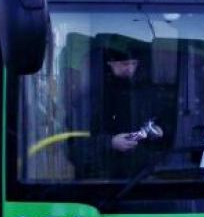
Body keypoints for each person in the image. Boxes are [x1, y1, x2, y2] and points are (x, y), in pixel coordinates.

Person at [66, 34, 172, 179]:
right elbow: (75, 146)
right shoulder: (90, 98)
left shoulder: (149, 93)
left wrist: (161, 130)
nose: (130, 69)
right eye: (124, 64)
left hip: (144, 179)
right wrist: (110, 143)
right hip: (100, 181)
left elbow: (166, 124)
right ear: (110, 63)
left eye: (133, 64)